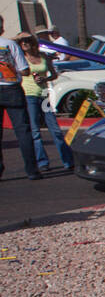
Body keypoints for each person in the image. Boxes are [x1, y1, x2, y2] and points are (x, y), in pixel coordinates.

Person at [17, 32, 74, 171]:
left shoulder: (43, 57)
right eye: (22, 42)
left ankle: (68, 160)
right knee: (35, 130)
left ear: (33, 42)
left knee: (55, 129)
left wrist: (45, 79)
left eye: (27, 41)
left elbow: (53, 75)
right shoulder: (20, 58)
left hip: (43, 94)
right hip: (28, 95)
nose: (25, 43)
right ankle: (42, 162)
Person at [0, 15, 41, 180]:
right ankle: (32, 170)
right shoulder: (10, 45)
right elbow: (24, 70)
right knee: (23, 131)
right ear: (2, 28)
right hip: (12, 89)